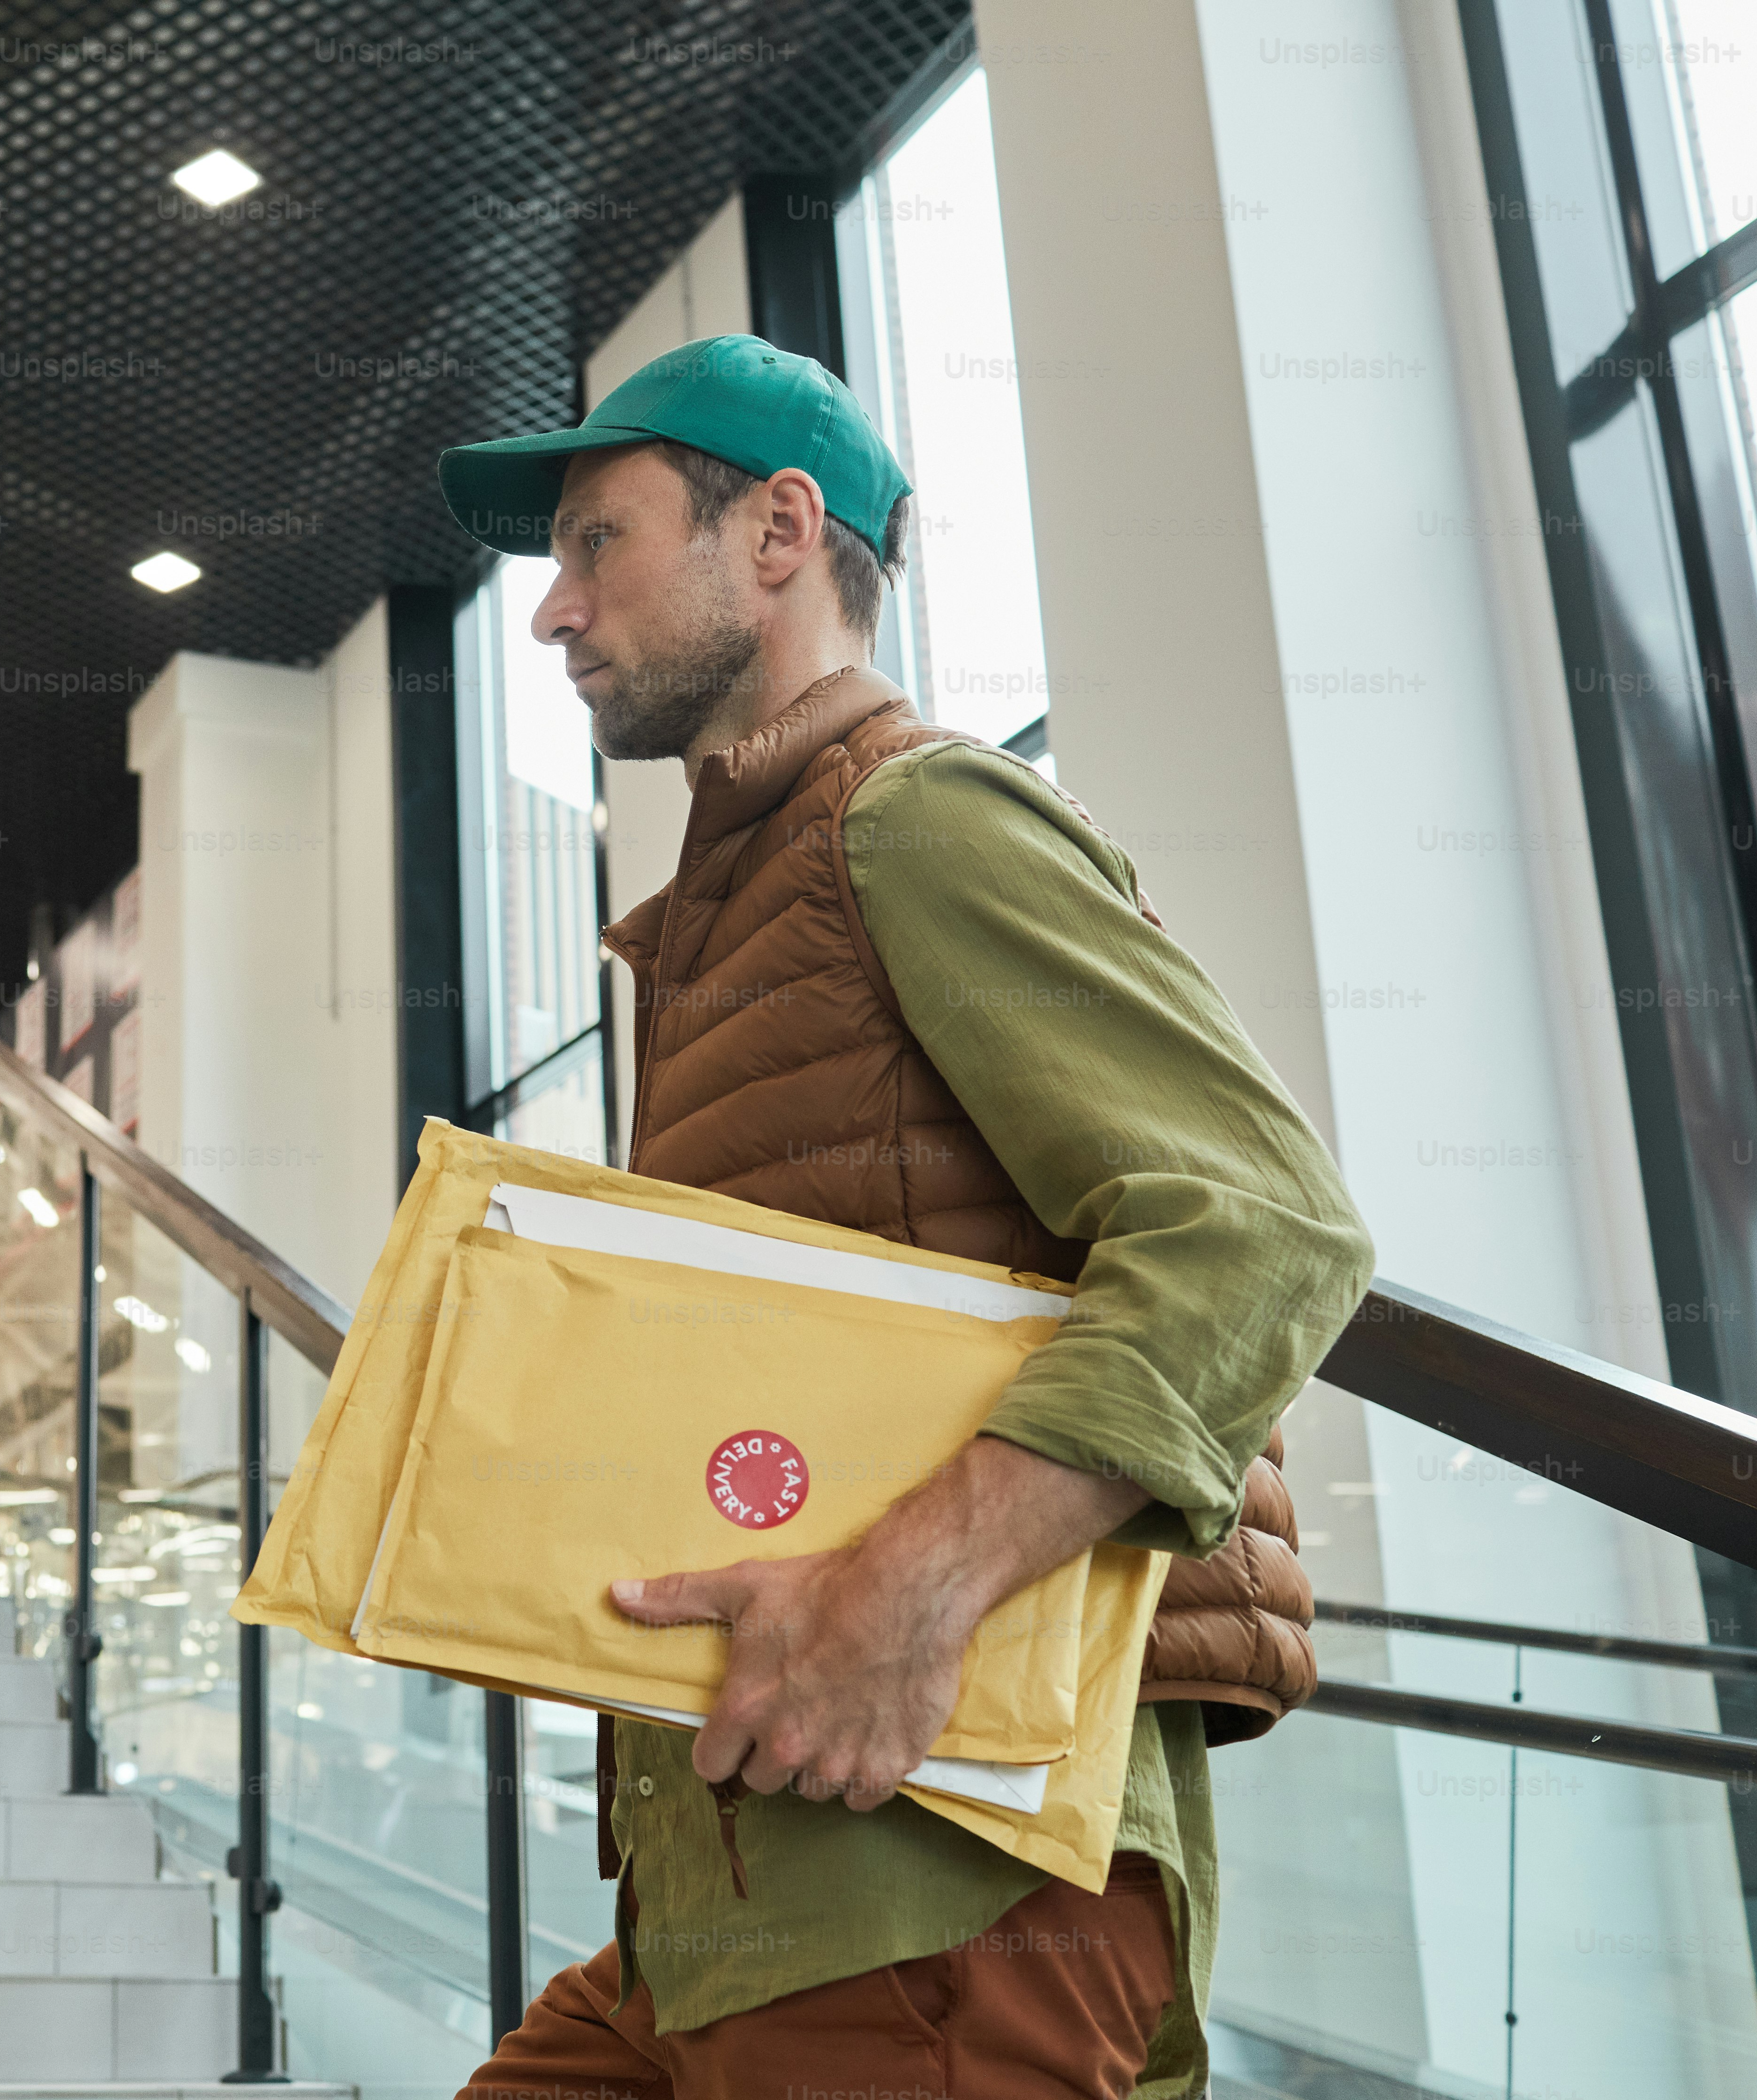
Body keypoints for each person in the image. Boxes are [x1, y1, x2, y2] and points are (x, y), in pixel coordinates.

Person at [431, 334, 1374, 2099]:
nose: (554, 610)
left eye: (596, 541)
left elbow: (1261, 1224)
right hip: (732, 1892)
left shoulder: (913, 815)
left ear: (779, 533)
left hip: (935, 1890)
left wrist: (914, 1586)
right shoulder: (734, 910)